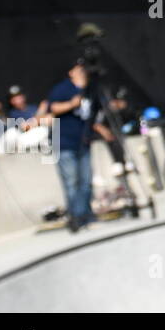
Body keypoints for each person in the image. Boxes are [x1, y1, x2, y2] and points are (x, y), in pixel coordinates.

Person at [46, 62, 106, 232]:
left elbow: (95, 113)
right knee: (71, 181)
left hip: (83, 141)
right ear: (71, 72)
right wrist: (72, 104)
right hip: (64, 143)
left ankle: (87, 215)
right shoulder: (63, 88)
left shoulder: (90, 90)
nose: (82, 73)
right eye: (79, 70)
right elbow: (53, 107)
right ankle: (76, 217)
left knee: (86, 181)